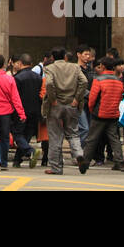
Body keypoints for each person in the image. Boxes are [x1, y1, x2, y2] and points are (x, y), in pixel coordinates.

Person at [42, 47, 87, 175]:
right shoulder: (75, 67)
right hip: (71, 104)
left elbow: (49, 84)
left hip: (56, 105)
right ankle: (78, 154)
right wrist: (77, 98)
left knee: (55, 136)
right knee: (73, 133)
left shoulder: (50, 68)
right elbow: (84, 81)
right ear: (65, 57)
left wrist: (52, 98)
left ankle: (56, 167)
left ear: (52, 57)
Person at [77, 56, 124, 174]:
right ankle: (119, 160)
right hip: (113, 113)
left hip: (100, 113)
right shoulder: (118, 81)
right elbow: (119, 97)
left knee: (92, 138)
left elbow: (92, 98)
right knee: (114, 138)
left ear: (103, 66)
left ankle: (86, 161)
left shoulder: (98, 80)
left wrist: (92, 109)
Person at [10, 54, 42, 168]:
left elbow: (14, 97)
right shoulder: (38, 77)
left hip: (21, 111)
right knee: (26, 136)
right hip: (35, 111)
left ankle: (30, 151)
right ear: (31, 64)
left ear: (20, 63)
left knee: (17, 134)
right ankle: (17, 160)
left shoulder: (17, 78)